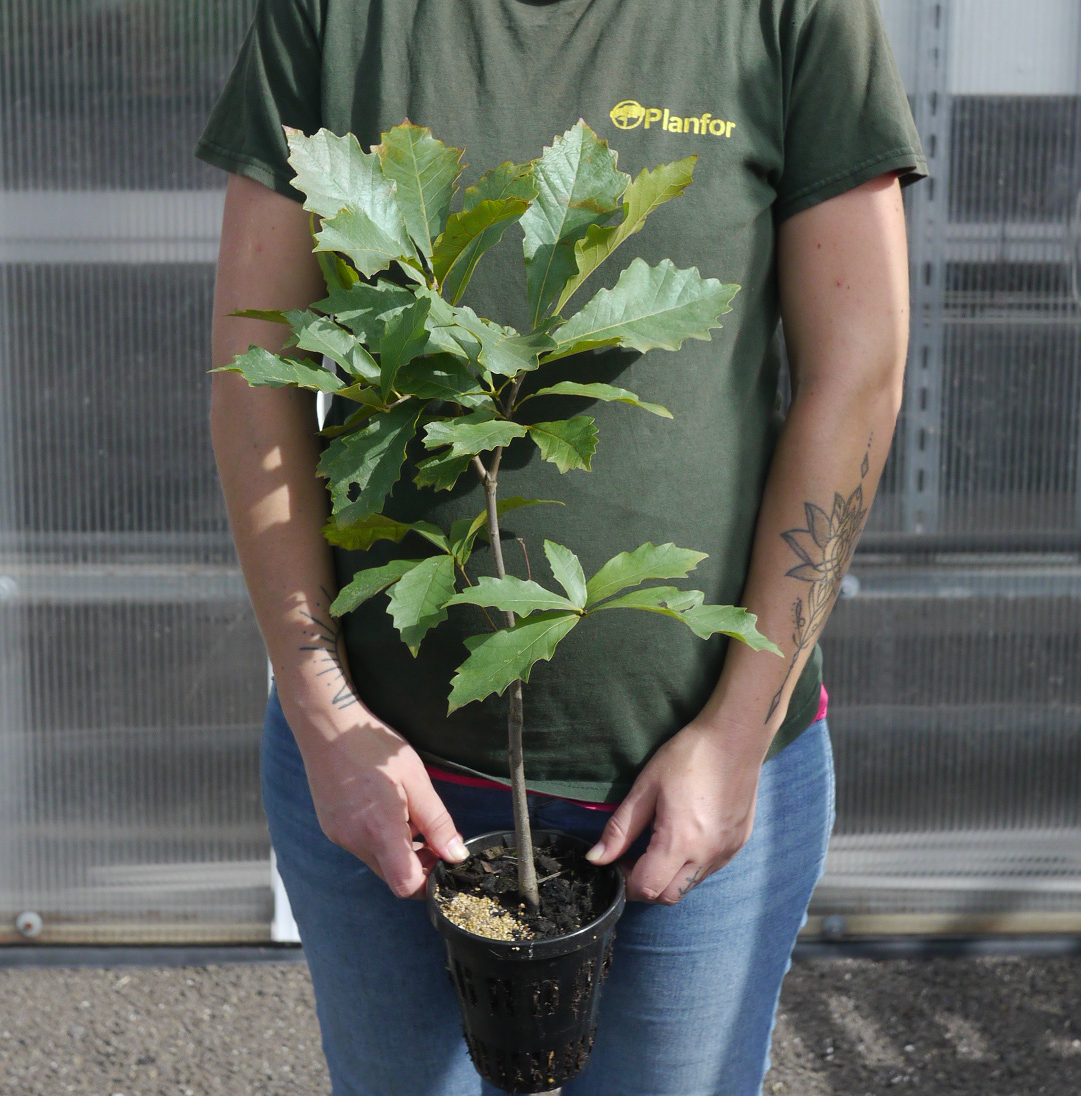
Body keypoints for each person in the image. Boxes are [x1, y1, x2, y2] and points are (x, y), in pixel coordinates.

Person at [198, 1, 925, 1092]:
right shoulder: (333, 14)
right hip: (377, 779)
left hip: (694, 783)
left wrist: (734, 734)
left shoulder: (792, 15)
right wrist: (326, 716)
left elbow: (858, 373)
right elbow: (255, 372)